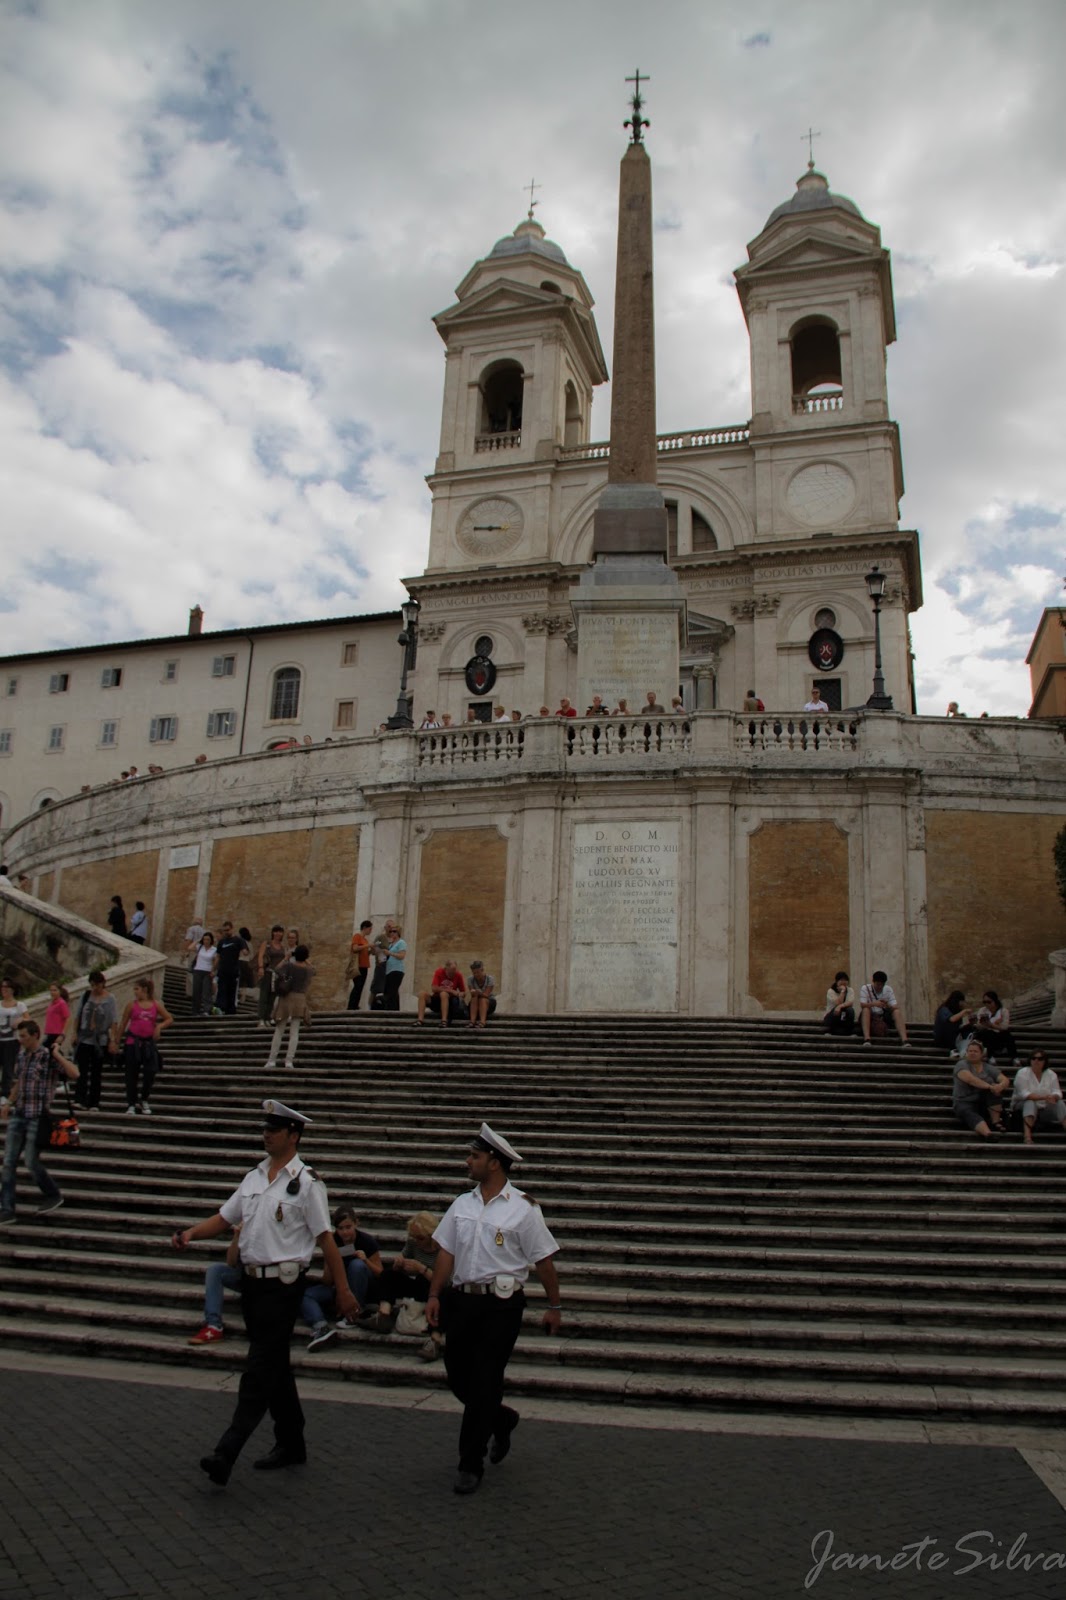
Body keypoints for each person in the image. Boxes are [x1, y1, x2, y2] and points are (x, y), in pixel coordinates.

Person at [172, 1099, 357, 1485]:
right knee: (274, 1367)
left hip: (284, 1286)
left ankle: (227, 1450)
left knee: (258, 1370)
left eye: (274, 1129)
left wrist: (342, 1289)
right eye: (265, 1128)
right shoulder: (253, 1177)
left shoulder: (308, 1184)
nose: (266, 1134)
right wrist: (191, 1233)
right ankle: (292, 1442)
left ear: (294, 1135)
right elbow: (225, 1218)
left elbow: (326, 1240)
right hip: (253, 1284)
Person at [427, 1122, 561, 1495]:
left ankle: (470, 1464)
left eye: (475, 1155)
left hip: (502, 1305)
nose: (468, 1161)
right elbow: (445, 1252)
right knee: (458, 1376)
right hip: (462, 1300)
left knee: (486, 1378)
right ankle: (501, 1421)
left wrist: (554, 1305)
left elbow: (544, 1260)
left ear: (495, 1163)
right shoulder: (461, 1203)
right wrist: (435, 1295)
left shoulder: (523, 1209)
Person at [0, 1020, 79, 1224]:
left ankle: (52, 1193)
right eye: (20, 1036)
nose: (21, 1039)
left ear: (35, 1035)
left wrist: (57, 1054)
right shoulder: (22, 1055)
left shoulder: (46, 1057)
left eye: (24, 1036)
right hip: (19, 1114)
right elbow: (20, 1082)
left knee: (30, 1161)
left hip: (37, 1116)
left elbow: (74, 1074)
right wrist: (9, 1102)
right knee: (8, 1162)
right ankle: (7, 1208)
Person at [303, 1205, 383, 1349]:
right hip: (338, 1288)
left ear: (356, 1224)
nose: (345, 1232)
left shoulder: (367, 1241)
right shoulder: (332, 1242)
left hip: (363, 1287)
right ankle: (320, 1325)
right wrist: (332, 1262)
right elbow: (326, 1280)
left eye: (348, 1227)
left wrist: (366, 1261)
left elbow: (381, 1273)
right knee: (306, 1295)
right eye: (341, 1228)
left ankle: (354, 1314)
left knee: (357, 1265)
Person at [372, 1210, 443, 1358]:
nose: (417, 1241)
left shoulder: (442, 1248)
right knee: (388, 1275)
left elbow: (445, 1280)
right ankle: (384, 1314)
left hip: (435, 1289)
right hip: (417, 1285)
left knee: (444, 1292)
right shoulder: (413, 1242)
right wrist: (399, 1263)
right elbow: (404, 1256)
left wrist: (421, 1268)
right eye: (414, 1237)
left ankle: (435, 1338)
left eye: (421, 1238)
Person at [118, 977, 173, 1116]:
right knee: (131, 1074)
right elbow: (123, 1023)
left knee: (150, 1072)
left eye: (137, 989)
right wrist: (116, 1041)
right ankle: (131, 1103)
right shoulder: (132, 1005)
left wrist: (159, 1026)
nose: (135, 992)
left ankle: (144, 1099)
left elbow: (169, 1018)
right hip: (133, 1042)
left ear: (145, 990)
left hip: (148, 1044)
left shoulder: (156, 1004)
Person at [72, 970, 119, 1111]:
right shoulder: (86, 996)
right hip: (85, 1038)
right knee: (82, 1070)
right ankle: (80, 1099)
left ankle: (94, 1102)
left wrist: (113, 1040)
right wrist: (74, 1033)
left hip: (100, 1040)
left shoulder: (110, 999)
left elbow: (114, 1021)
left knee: (96, 1072)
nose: (95, 988)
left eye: (97, 985)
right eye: (92, 985)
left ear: (102, 984)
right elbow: (78, 1015)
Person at [188, 1225, 243, 1344]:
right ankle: (214, 1325)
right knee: (215, 1271)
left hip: (272, 1279)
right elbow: (231, 1262)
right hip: (246, 1276)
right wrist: (237, 1237)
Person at [264, 944, 314, 1069]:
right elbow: (314, 970)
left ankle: (272, 1060)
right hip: (300, 999)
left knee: (279, 1030)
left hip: (286, 998)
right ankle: (289, 1060)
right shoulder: (308, 970)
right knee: (294, 1032)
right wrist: (307, 960)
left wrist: (286, 957)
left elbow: (276, 969)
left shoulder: (289, 966)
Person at [952, 1039, 1010, 1138]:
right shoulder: (961, 1065)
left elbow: (1004, 1079)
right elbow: (971, 1079)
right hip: (964, 1101)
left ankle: (995, 1122)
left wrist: (1000, 1086)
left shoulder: (988, 1067)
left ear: (981, 1054)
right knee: (969, 1113)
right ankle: (988, 1134)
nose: (972, 1053)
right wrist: (990, 1086)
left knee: (995, 1092)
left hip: (983, 1102)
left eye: (975, 1051)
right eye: (970, 1051)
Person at [1013, 1052, 1066, 1146]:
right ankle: (1027, 1137)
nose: (1036, 1061)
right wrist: (1045, 1097)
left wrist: (1054, 1097)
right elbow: (1025, 1094)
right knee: (1030, 1102)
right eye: (1034, 1058)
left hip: (1044, 1108)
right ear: (1030, 1060)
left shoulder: (1051, 1074)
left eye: (1040, 1059)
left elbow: (1057, 1091)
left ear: (1044, 1061)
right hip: (1022, 1107)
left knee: (1060, 1103)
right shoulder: (1022, 1073)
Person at [859, 970, 911, 1047]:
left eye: (882, 985)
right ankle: (867, 1038)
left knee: (896, 1012)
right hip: (871, 1016)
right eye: (878, 984)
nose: (880, 987)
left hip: (883, 1016)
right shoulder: (865, 988)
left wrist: (887, 1005)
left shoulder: (888, 989)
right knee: (866, 1009)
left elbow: (895, 1006)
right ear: (873, 982)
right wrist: (874, 1004)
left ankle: (904, 1039)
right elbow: (862, 1005)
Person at [0, 980, 30, 1100]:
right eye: (2, 987)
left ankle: (5, 1093)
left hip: (11, 1039)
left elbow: (28, 1018)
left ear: (12, 989)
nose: (4, 990)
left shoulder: (20, 1005)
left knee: (8, 1067)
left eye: (6, 987)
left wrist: (20, 1021)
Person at [415, 959, 466, 1027]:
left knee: (443, 994)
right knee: (422, 994)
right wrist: (451, 991)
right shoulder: (439, 972)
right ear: (446, 969)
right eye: (451, 972)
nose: (453, 974)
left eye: (454, 971)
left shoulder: (458, 975)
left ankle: (444, 1020)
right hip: (436, 1000)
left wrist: (461, 994)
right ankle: (420, 1020)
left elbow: (463, 991)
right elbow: (434, 988)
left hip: (449, 1002)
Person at [973, 989, 1018, 1064]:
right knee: (987, 1033)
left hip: (999, 1034)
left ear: (995, 1001)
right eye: (985, 1002)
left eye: (989, 1002)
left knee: (1008, 1035)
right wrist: (983, 1024)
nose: (987, 1004)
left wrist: (992, 1025)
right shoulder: (982, 1010)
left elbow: (1005, 1026)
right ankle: (990, 1056)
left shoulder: (1003, 1011)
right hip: (986, 1034)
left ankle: (1015, 1057)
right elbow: (979, 1025)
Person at [256, 924, 288, 1028]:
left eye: (280, 931)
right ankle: (261, 1018)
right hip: (267, 972)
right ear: (273, 933)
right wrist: (260, 968)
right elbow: (260, 955)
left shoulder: (283, 947)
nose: (278, 933)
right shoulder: (267, 944)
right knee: (264, 995)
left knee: (272, 997)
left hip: (277, 974)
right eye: (276, 931)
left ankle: (267, 1017)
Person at [214, 921, 249, 1015]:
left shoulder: (238, 940)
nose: (226, 932)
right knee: (221, 990)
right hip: (222, 970)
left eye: (227, 930)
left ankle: (230, 1010)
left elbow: (245, 951)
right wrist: (213, 968)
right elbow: (218, 956)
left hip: (233, 970)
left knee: (232, 991)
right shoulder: (222, 942)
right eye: (224, 930)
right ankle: (220, 1008)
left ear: (232, 929)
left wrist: (244, 952)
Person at [345, 920, 373, 1012]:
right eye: (370, 928)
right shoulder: (357, 936)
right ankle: (351, 1006)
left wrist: (370, 950)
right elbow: (355, 948)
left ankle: (356, 1005)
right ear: (365, 928)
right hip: (358, 965)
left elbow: (364, 952)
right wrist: (367, 945)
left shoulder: (365, 940)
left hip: (364, 966)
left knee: (360, 987)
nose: (370, 930)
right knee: (357, 985)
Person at [192, 932, 218, 1017]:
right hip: (198, 970)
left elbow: (215, 961)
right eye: (204, 939)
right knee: (197, 991)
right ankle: (196, 1010)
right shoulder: (200, 947)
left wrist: (213, 971)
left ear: (211, 940)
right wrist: (198, 941)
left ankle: (207, 1010)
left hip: (207, 971)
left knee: (206, 991)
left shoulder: (214, 949)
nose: (206, 941)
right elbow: (190, 947)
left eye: (208, 939)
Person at [466, 961, 497, 1030]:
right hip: (476, 1002)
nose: (476, 975)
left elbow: (486, 994)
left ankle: (482, 1022)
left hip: (488, 1002)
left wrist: (479, 993)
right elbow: (472, 993)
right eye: (474, 973)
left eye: (478, 972)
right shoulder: (470, 979)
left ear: (482, 970)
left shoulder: (490, 979)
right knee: (474, 998)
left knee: (482, 999)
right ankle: (472, 1021)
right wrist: (474, 992)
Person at [822, 972, 855, 1036]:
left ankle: (849, 1032)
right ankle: (831, 1031)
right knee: (836, 1011)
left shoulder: (850, 990)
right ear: (836, 981)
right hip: (831, 1016)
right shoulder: (831, 991)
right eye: (841, 980)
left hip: (844, 1014)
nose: (843, 982)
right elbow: (838, 1002)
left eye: (845, 980)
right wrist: (843, 991)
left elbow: (850, 1002)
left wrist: (840, 1006)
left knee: (850, 1010)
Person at [383, 925, 407, 1011]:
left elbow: (402, 956)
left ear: (398, 933)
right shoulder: (391, 944)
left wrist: (390, 953)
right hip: (389, 970)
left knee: (392, 991)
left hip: (397, 969)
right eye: (391, 931)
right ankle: (393, 1009)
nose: (392, 933)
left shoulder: (401, 942)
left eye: (394, 931)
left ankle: (392, 1010)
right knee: (390, 991)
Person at [43, 984, 71, 1055]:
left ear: (60, 991)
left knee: (50, 1051)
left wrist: (62, 1034)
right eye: (51, 990)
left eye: (55, 990)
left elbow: (67, 1018)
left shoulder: (61, 1003)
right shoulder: (52, 1003)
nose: (52, 992)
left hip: (56, 1033)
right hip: (50, 1033)